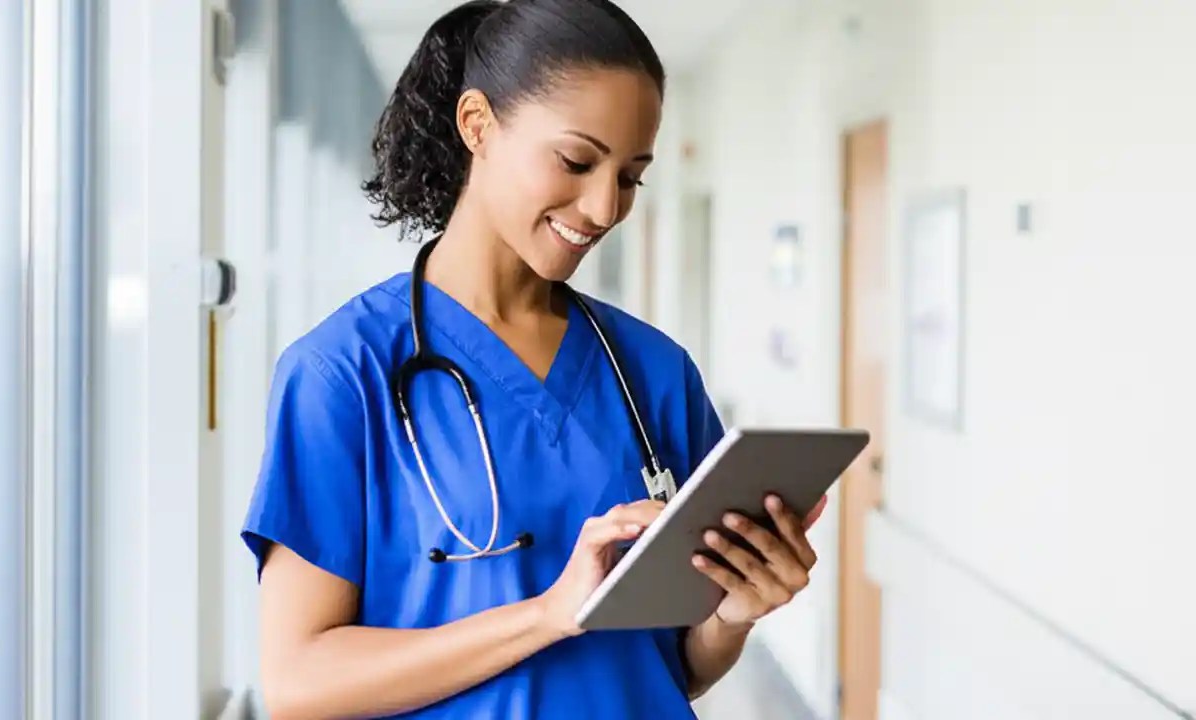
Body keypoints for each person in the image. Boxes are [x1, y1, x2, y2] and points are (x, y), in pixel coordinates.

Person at [241, 1, 826, 718]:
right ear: (477, 125)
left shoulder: (654, 374)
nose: (604, 208)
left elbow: (673, 665)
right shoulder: (343, 372)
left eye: (630, 177)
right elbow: (300, 683)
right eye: (577, 161)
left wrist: (733, 615)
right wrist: (548, 615)